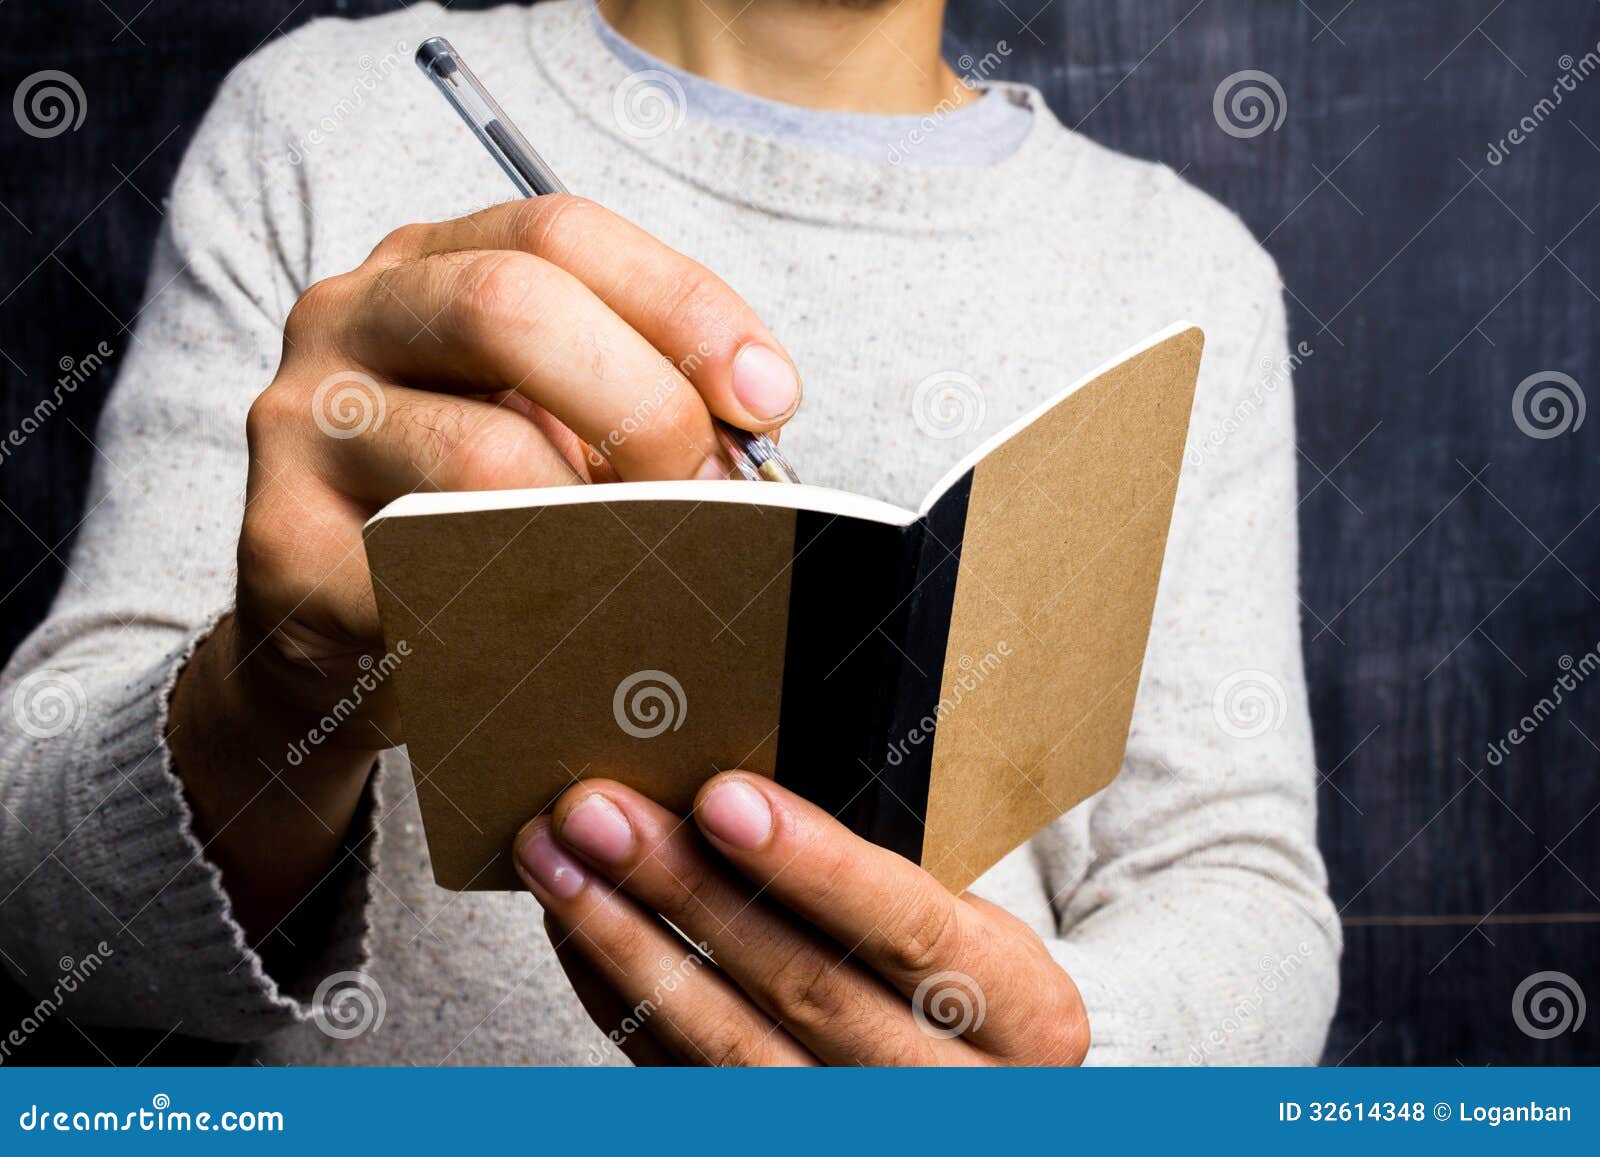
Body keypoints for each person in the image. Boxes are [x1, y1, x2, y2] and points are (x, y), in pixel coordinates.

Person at [0, 0, 1339, 1065]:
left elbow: (1238, 883)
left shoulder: (1179, 266)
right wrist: (275, 686)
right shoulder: (323, 127)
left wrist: (1061, 1067)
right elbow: (39, 909)